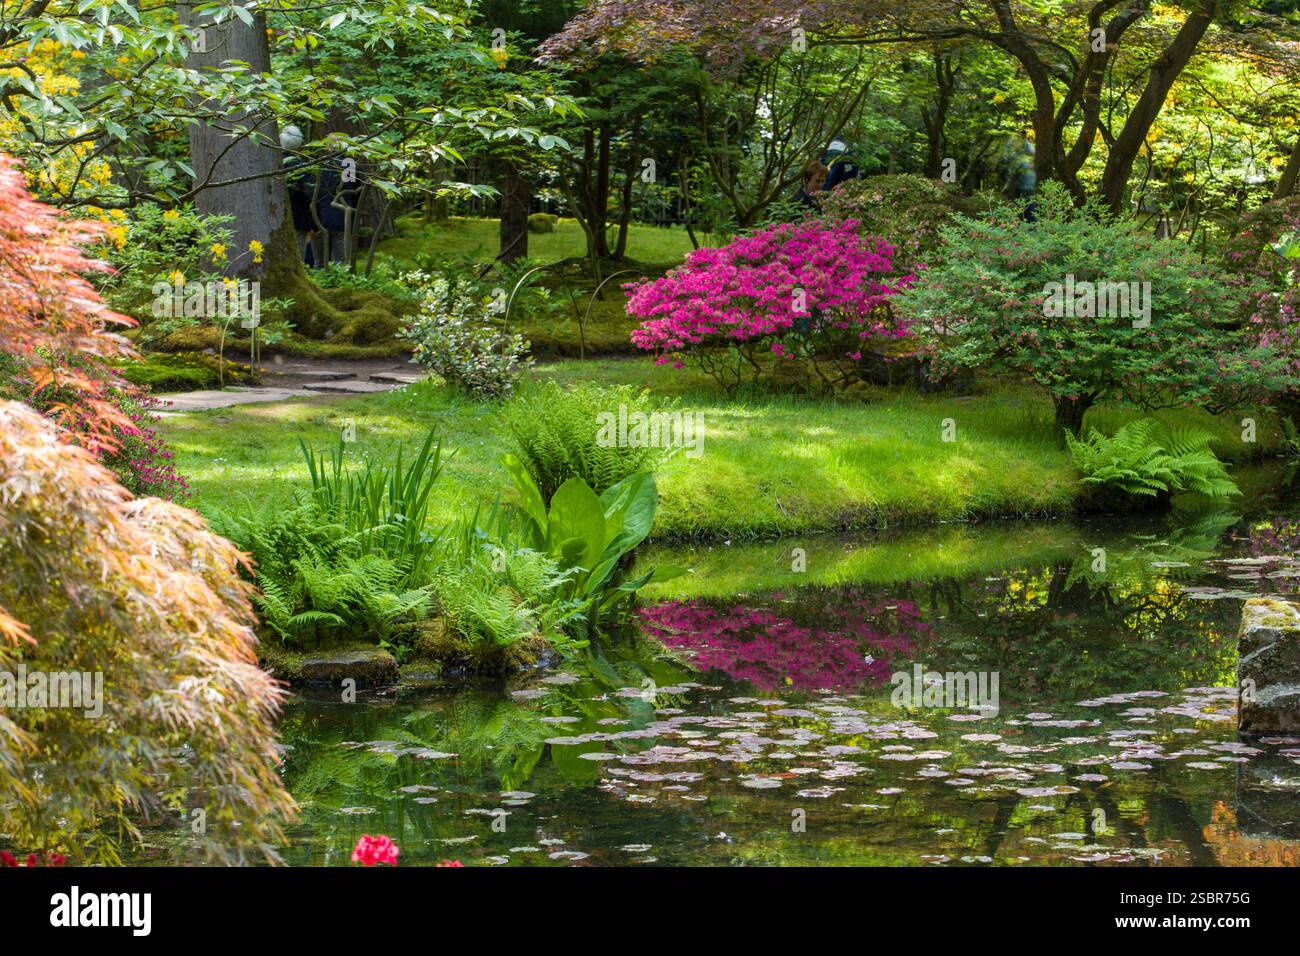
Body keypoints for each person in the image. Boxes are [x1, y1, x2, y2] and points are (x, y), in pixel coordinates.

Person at [280, 125, 316, 262]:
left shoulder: (271, 163)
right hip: (299, 218)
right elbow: (309, 195)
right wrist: (312, 223)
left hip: (274, 217)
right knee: (298, 255)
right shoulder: (301, 166)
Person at [1004, 134, 1037, 222]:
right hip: (1024, 185)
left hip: (1024, 185)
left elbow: (1006, 158)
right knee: (1027, 210)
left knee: (1024, 210)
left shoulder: (1018, 147)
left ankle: (1030, 229)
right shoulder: (1026, 147)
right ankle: (1029, 229)